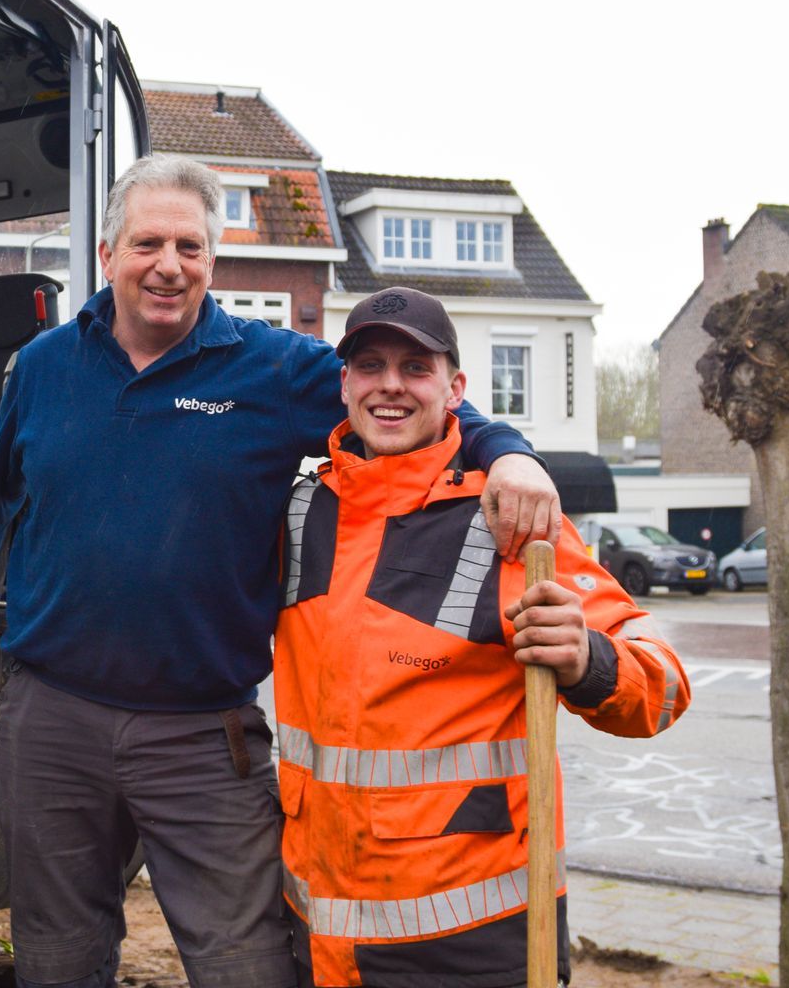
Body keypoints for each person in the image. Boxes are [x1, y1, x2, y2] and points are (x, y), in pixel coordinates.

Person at [0, 155, 563, 988]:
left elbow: (404, 396)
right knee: (55, 956)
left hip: (203, 736)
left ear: (213, 259)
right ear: (106, 255)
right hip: (53, 722)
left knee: (246, 966)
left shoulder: (270, 369)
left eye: (191, 247)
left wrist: (512, 456)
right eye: (148, 244)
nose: (170, 265)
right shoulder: (45, 366)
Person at [275, 287, 690, 988]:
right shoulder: (301, 511)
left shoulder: (512, 518)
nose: (390, 386)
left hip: (474, 939)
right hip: (314, 927)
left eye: (415, 368)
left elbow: (664, 687)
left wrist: (588, 658)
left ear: (455, 388)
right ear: (343, 384)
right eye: (371, 365)